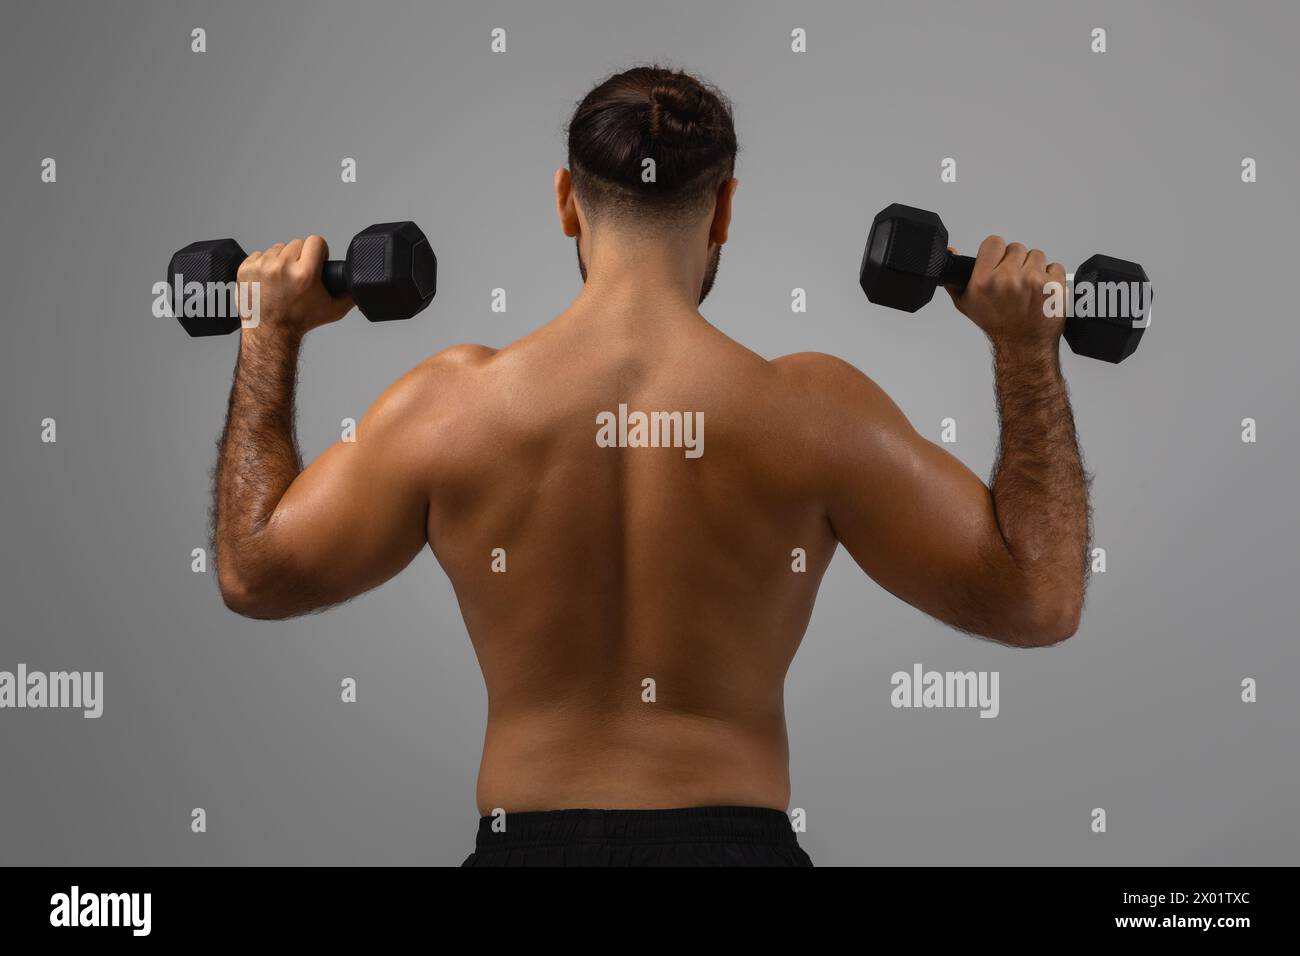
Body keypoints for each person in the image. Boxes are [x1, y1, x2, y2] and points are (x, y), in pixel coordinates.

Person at [212, 66, 1087, 867]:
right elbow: (1037, 601)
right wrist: (1025, 348)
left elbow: (255, 575)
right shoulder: (816, 413)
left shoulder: (446, 408)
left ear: (565, 200)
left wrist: (270, 333)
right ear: (725, 210)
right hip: (734, 848)